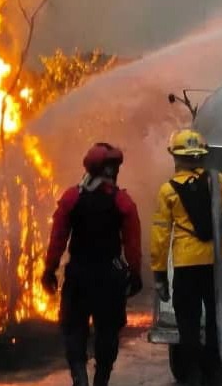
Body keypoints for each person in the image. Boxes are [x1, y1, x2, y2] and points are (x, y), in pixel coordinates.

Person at [42, 142, 143, 386]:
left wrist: (50, 269)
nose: (113, 172)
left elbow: (58, 237)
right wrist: (134, 272)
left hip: (79, 275)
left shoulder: (72, 197)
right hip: (108, 277)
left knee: (74, 329)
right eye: (111, 167)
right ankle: (100, 380)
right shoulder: (122, 201)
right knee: (107, 332)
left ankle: (80, 376)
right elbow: (132, 242)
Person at [150, 129, 222, 385]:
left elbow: (160, 236)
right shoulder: (217, 180)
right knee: (217, 318)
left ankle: (192, 373)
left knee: (188, 321)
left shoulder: (167, 191)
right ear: (203, 155)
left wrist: (159, 275)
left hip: (186, 263)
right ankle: (215, 370)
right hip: (215, 263)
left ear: (175, 156)